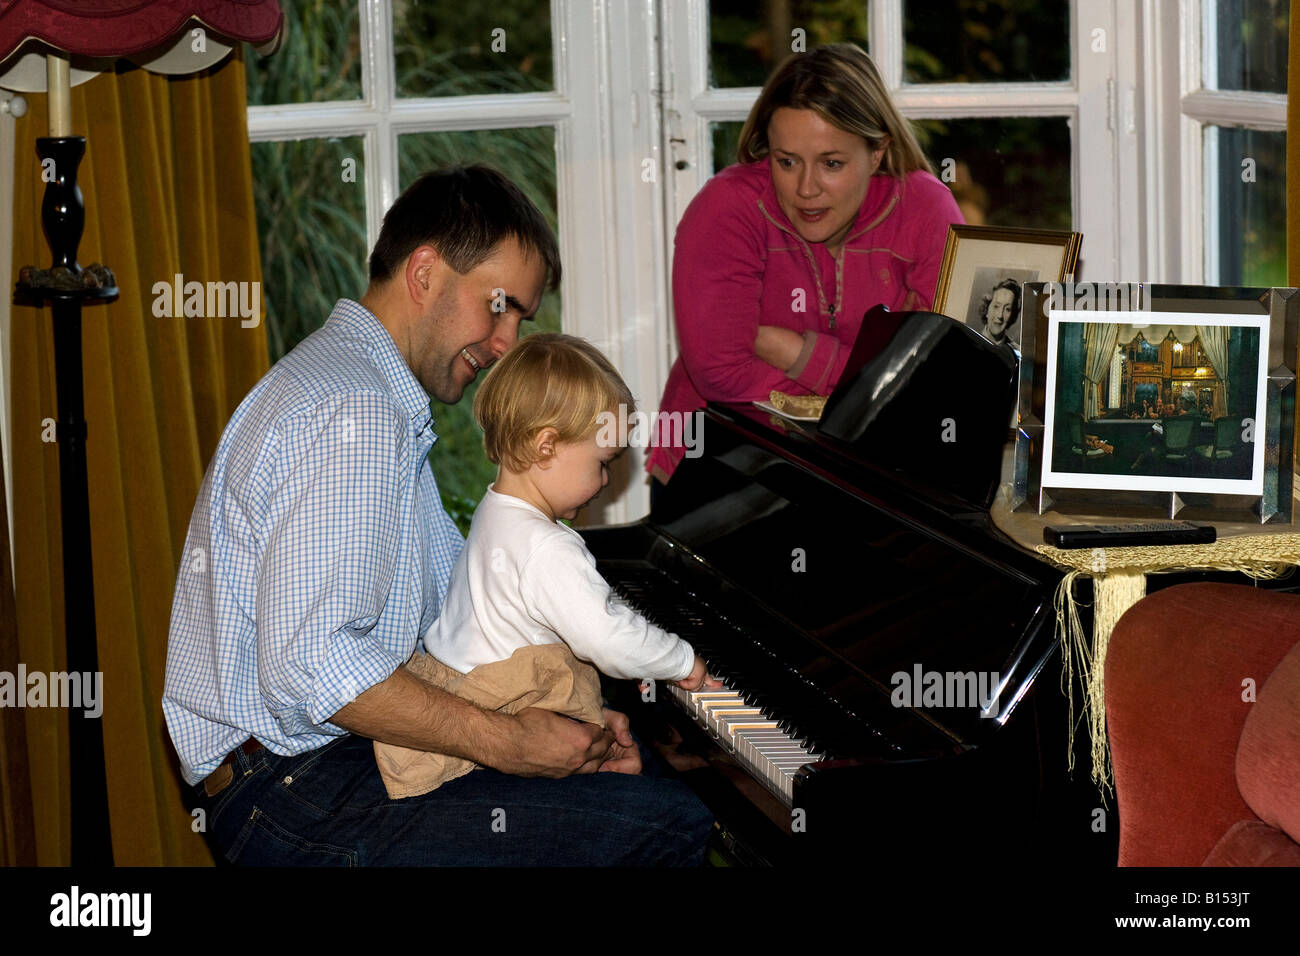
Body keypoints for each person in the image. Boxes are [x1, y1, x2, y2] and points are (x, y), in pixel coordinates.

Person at [163, 165, 713, 866]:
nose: (507, 341)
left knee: (636, 783)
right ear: (424, 273)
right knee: (668, 823)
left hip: (312, 763)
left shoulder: (363, 390)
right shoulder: (356, 410)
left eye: (520, 318)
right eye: (500, 306)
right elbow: (314, 666)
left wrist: (562, 717)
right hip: (295, 787)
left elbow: (444, 622)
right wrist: (510, 741)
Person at [400, 334, 716, 791]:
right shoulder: (547, 547)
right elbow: (609, 639)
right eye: (603, 462)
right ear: (546, 447)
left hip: (470, 700)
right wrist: (682, 660)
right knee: (671, 807)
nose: (605, 480)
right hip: (505, 723)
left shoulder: (496, 509)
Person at [647, 43, 963, 486]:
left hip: (877, 475)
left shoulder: (926, 208)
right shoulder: (726, 207)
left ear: (877, 152)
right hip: (714, 467)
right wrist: (873, 388)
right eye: (787, 161)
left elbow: (941, 385)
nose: (806, 189)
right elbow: (721, 375)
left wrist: (795, 351)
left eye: (831, 163)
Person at [977, 278, 1021, 346]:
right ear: (987, 309)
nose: (1000, 315)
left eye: (1007, 309)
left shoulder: (1016, 351)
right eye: (996, 306)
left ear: (1012, 315)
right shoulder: (968, 341)